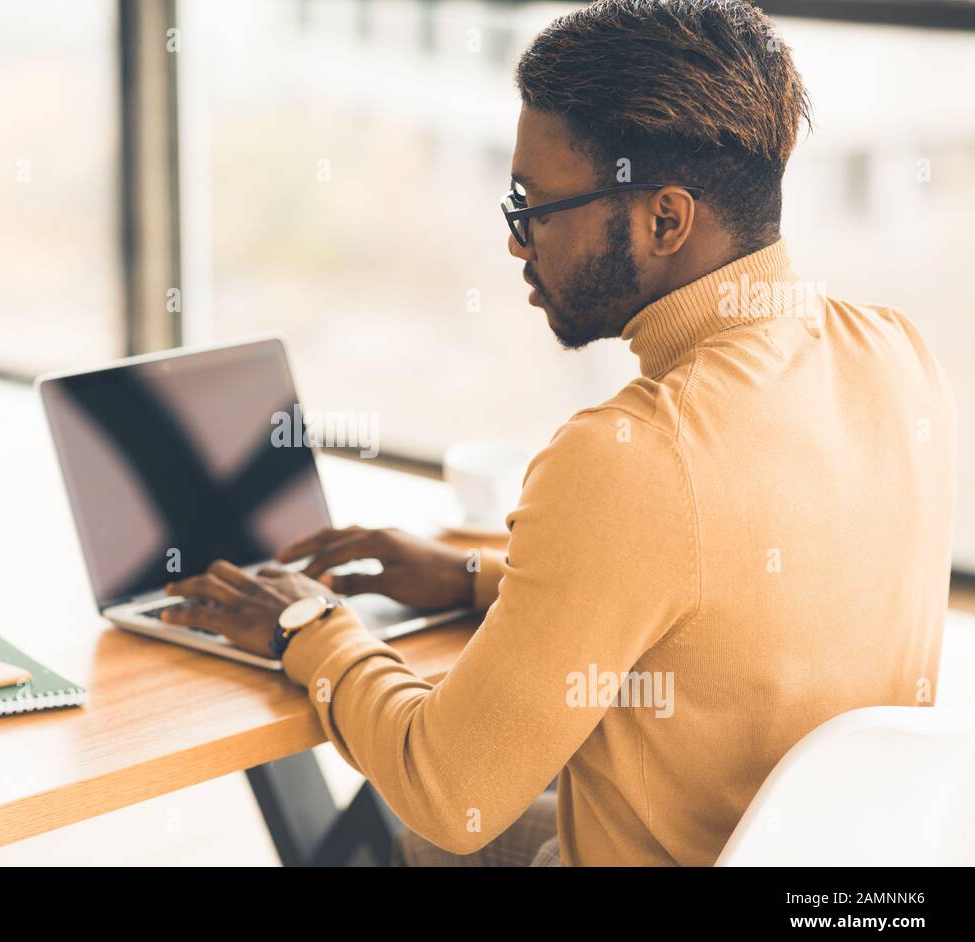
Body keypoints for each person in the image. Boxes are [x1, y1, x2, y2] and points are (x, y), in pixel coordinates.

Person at [162, 0, 956, 866]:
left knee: (410, 820)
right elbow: (744, 591)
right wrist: (476, 579)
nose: (516, 242)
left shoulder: (636, 456)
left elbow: (450, 794)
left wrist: (307, 628)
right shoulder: (899, 354)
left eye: (535, 204)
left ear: (665, 220)